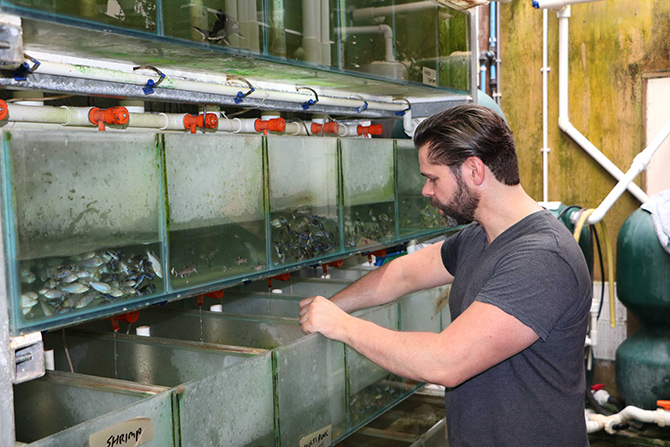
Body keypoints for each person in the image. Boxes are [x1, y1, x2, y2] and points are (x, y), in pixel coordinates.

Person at [298, 104, 592, 447]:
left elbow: (446, 361)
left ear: (474, 170)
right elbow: (403, 275)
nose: (426, 190)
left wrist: (342, 325)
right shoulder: (478, 237)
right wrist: (329, 308)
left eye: (433, 178)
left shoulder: (543, 258)